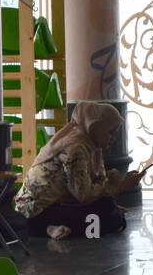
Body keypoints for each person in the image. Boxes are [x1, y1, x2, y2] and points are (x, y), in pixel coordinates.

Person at [13, 102, 141, 239]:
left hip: (52, 206)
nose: (114, 139)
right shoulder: (75, 148)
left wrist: (111, 179)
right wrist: (120, 186)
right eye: (110, 132)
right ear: (95, 127)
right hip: (37, 211)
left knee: (107, 207)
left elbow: (89, 182)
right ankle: (45, 227)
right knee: (106, 208)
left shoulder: (90, 146)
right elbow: (83, 195)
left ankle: (50, 227)